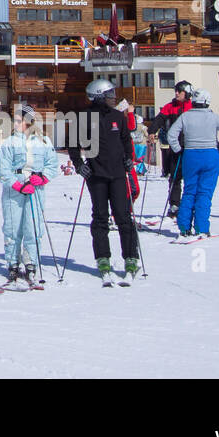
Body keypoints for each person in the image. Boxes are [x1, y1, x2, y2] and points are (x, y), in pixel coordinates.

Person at [67, 79, 140, 284]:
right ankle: (103, 258)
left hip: (117, 174)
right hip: (96, 175)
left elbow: (126, 141)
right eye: (109, 94)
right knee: (100, 218)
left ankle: (131, 257)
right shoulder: (83, 118)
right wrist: (79, 164)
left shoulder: (118, 116)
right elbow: (73, 145)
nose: (113, 97)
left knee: (123, 216)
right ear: (99, 96)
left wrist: (128, 159)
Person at [0, 106, 57, 285]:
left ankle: (31, 262)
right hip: (15, 188)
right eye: (14, 121)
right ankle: (12, 263)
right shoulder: (9, 143)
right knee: (13, 226)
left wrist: (42, 178)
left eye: (19, 121)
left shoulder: (43, 141)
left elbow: (52, 164)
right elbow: (3, 169)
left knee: (33, 226)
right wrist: (16, 184)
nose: (15, 124)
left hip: (35, 187)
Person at [166, 89, 219, 237]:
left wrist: (178, 150)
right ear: (207, 102)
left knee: (189, 191)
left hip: (190, 155)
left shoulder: (185, 116)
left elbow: (171, 135)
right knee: (204, 193)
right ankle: (202, 228)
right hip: (210, 155)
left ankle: (184, 227)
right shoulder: (214, 117)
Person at [146, 80, 193, 217]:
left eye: (180, 91)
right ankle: (174, 205)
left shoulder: (193, 106)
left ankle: (190, 205)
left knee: (191, 178)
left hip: (191, 148)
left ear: (187, 93)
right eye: (176, 91)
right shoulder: (170, 106)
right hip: (176, 147)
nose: (177, 93)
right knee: (175, 177)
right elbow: (159, 120)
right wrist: (151, 131)